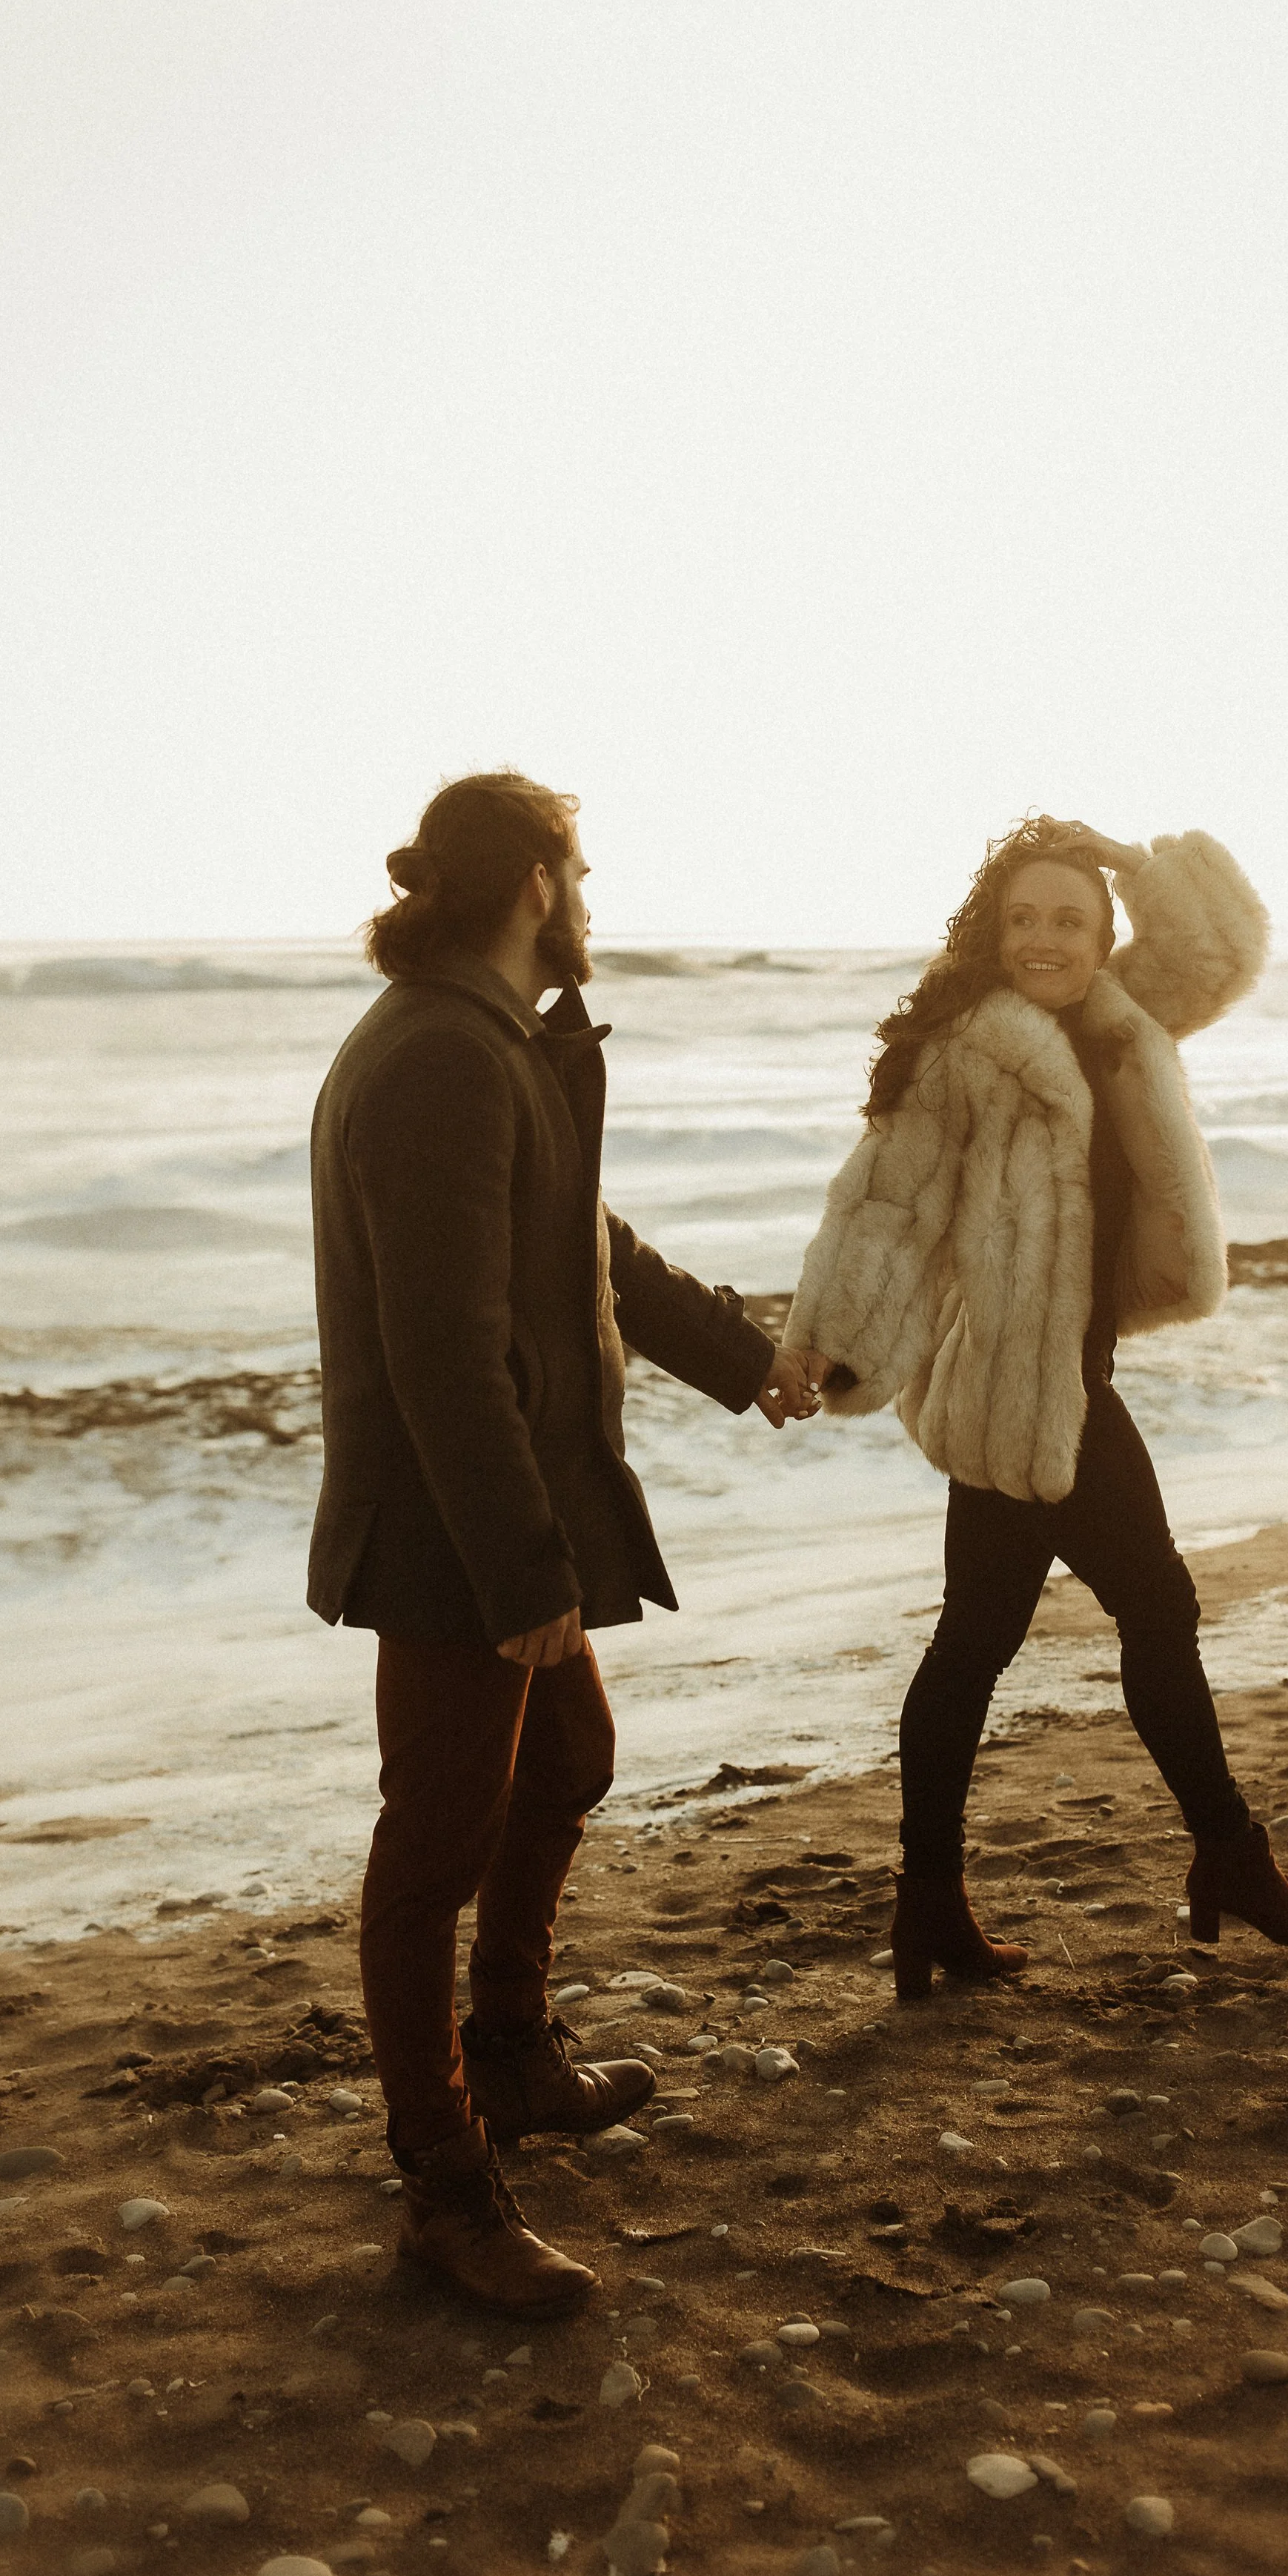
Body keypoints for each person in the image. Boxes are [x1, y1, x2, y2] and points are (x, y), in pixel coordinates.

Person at [308, 769, 816, 2312]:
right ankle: (444, 2188)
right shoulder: (439, 1063)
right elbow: (441, 1353)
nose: (588, 893)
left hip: (504, 1506)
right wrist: (523, 1580)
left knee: (568, 1758)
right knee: (433, 1846)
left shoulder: (496, 1045)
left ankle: (512, 2053)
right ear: (536, 878)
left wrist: (751, 1361)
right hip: (457, 1531)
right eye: (578, 866)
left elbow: (584, 1247)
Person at [787, 815, 1288, 2001]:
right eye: (1024, 918)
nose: (1046, 940)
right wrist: (825, 1350)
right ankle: (1228, 1861)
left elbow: (1217, 948)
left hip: (1070, 1376)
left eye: (1071, 918)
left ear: (1104, 937)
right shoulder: (964, 1052)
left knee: (982, 1642)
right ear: (993, 935)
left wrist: (1117, 852)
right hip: (1017, 1389)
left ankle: (937, 1904)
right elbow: (884, 1207)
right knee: (1145, 1611)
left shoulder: (1113, 1016)